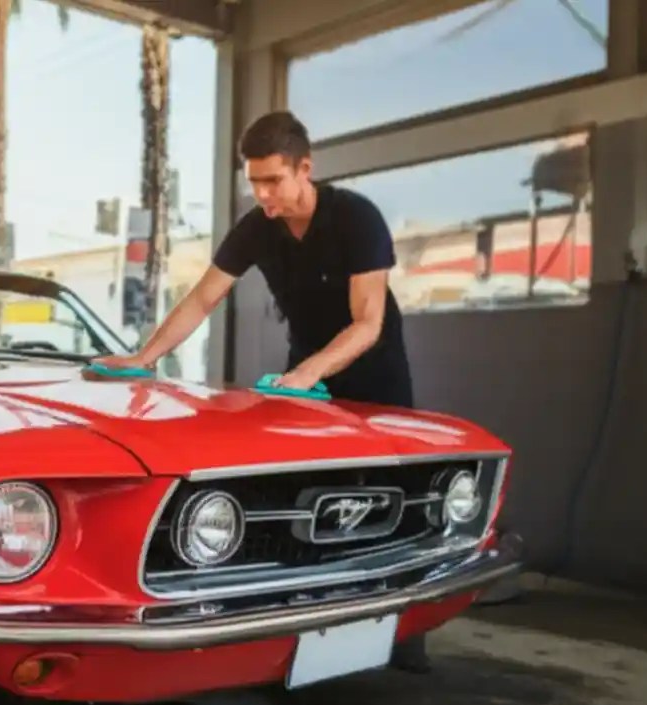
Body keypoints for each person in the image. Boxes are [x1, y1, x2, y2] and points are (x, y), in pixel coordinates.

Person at [93, 110, 428, 672]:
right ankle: (307, 624)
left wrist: (308, 374)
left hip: (375, 378)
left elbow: (368, 322)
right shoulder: (257, 227)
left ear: (305, 168)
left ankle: (406, 634)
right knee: (312, 497)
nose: (265, 195)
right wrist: (143, 357)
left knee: (387, 500)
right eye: (255, 182)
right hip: (303, 380)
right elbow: (203, 298)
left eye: (274, 181)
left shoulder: (357, 218)